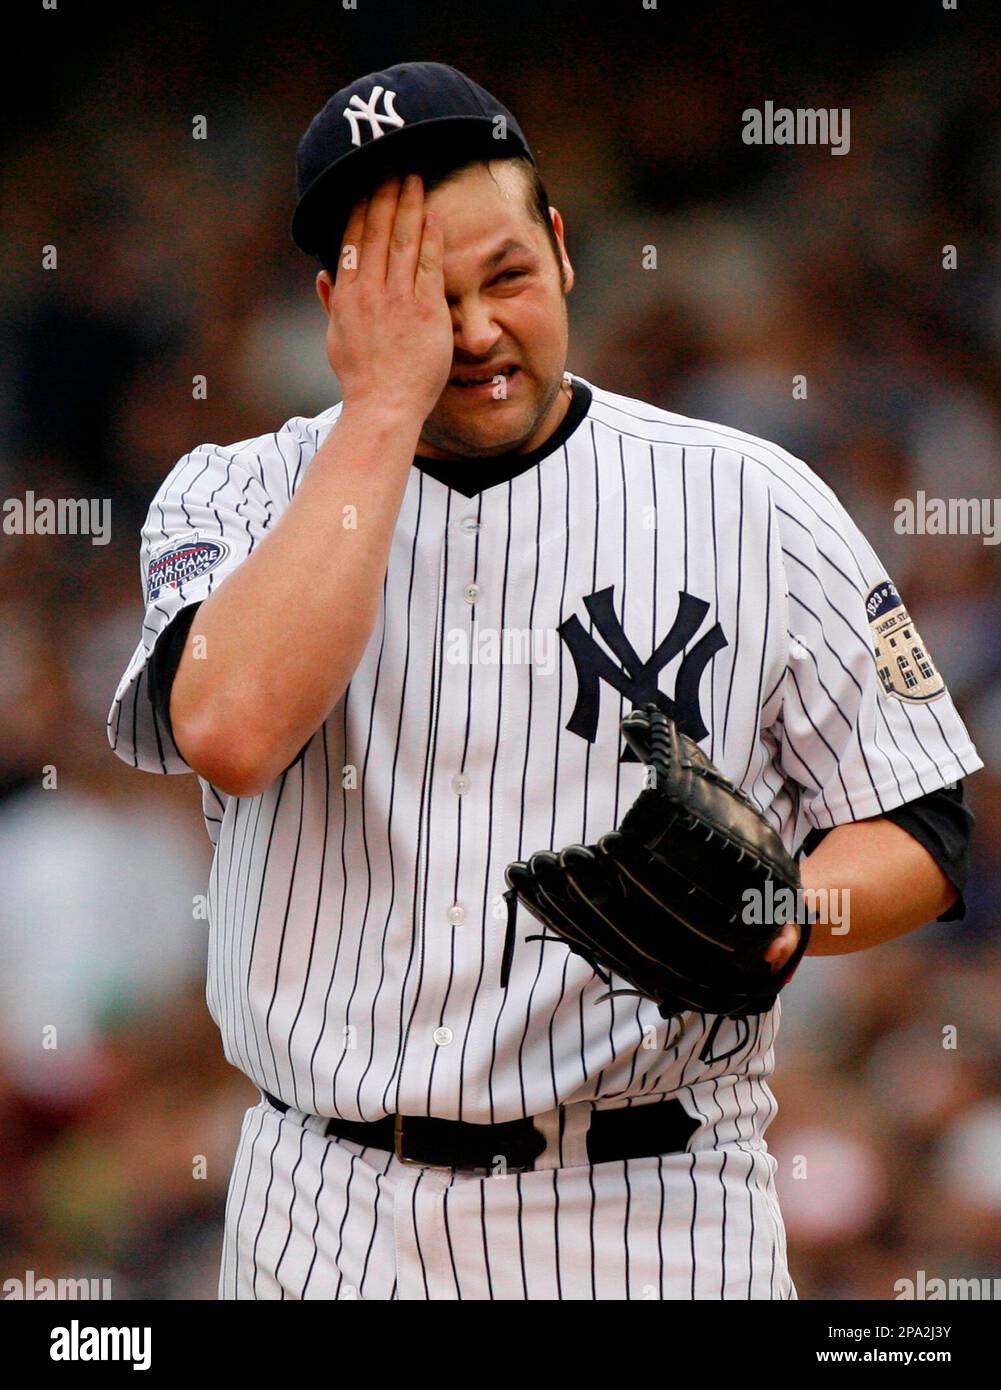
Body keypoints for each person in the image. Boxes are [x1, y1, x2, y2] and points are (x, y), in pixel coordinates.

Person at [108, 61, 980, 1300]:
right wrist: (378, 409)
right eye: (419, 300)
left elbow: (924, 825)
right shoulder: (233, 491)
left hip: (656, 1208)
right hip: (331, 1209)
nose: (470, 333)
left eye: (503, 277)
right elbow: (232, 728)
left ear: (562, 249)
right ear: (336, 310)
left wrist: (783, 920)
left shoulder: (752, 498)